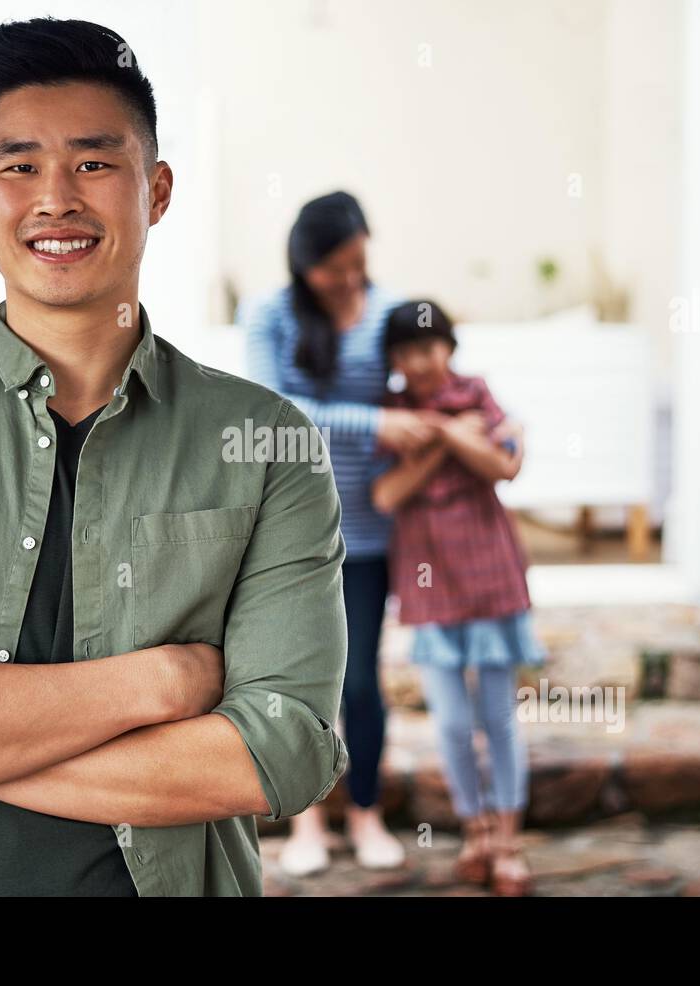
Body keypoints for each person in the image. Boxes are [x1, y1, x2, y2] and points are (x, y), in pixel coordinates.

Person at [0, 17, 350, 897]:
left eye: (92, 163)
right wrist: (160, 682)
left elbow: (282, 751)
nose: (55, 200)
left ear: (155, 190)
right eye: (18, 167)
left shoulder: (266, 446)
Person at [243, 191, 439, 874]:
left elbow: (426, 383)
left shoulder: (388, 311)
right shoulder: (268, 315)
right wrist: (374, 424)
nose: (350, 280)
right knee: (300, 685)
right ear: (304, 263)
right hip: (290, 533)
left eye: (359, 264)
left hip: (371, 533)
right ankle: (306, 825)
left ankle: (365, 813)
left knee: (360, 685)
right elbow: (274, 410)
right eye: (335, 268)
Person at [371, 299, 544, 896]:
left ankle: (508, 837)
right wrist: (448, 434)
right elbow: (387, 495)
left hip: (490, 574)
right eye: (406, 351)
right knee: (450, 721)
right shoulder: (391, 411)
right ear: (392, 358)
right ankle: (474, 828)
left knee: (498, 717)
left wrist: (448, 436)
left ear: (449, 346)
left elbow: (502, 466)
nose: (420, 361)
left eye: (429, 346)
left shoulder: (479, 391)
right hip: (428, 577)